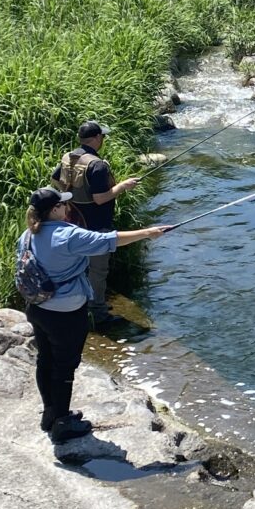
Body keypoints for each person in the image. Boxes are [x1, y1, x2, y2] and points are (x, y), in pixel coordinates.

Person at [20, 186, 169, 441]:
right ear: (54, 209)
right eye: (63, 204)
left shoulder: (27, 234)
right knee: (65, 366)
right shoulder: (68, 235)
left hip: (37, 309)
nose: (67, 207)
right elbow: (108, 241)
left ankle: (50, 414)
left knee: (45, 360)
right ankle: (62, 423)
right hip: (65, 313)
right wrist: (148, 233)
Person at [52, 120, 140, 328]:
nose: (104, 140)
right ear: (97, 138)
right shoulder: (97, 165)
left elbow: (55, 180)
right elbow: (101, 198)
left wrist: (71, 198)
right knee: (98, 271)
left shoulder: (68, 157)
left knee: (78, 266)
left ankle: (79, 304)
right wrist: (123, 186)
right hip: (97, 225)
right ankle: (97, 313)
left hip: (72, 221)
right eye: (103, 136)